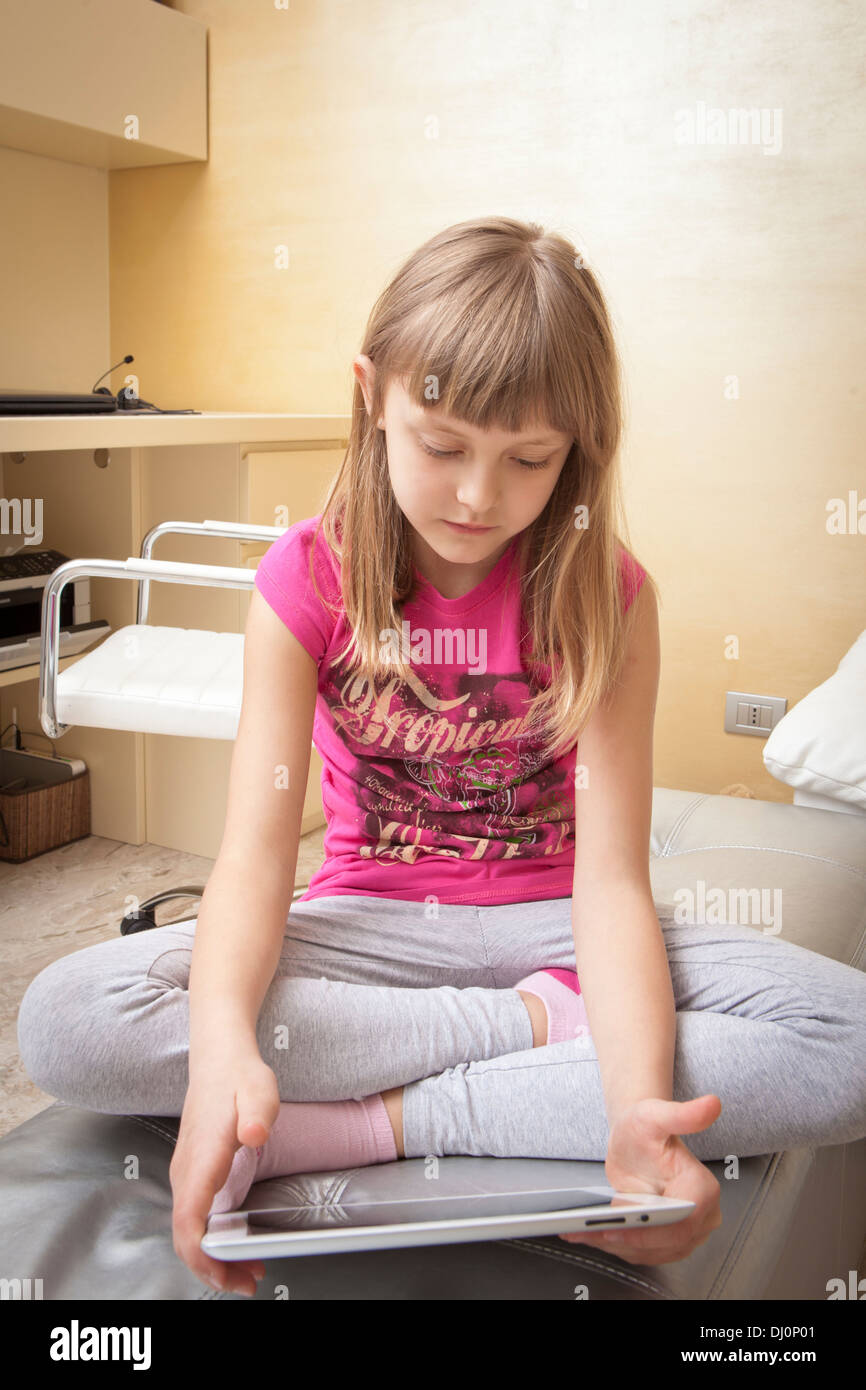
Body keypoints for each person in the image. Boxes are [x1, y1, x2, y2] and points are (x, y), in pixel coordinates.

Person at [17, 217, 866, 1300]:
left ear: (577, 449)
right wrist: (227, 1041)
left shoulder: (607, 595)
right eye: (442, 444)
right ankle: (536, 1034)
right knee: (67, 1018)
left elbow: (609, 882)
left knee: (844, 1042)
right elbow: (253, 857)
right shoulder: (302, 582)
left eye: (526, 460)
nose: (476, 496)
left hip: (557, 919)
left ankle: (364, 1124)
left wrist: (636, 1098)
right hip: (369, 926)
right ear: (373, 394)